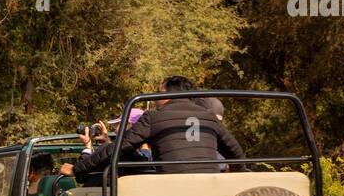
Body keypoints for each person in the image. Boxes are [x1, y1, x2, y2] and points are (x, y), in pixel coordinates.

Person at [62, 77, 244, 182]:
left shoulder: (154, 117)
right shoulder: (209, 117)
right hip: (209, 186)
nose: (156, 97)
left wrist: (77, 169)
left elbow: (118, 148)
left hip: (171, 189)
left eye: (159, 92)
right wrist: (244, 171)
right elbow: (235, 152)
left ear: (167, 95)